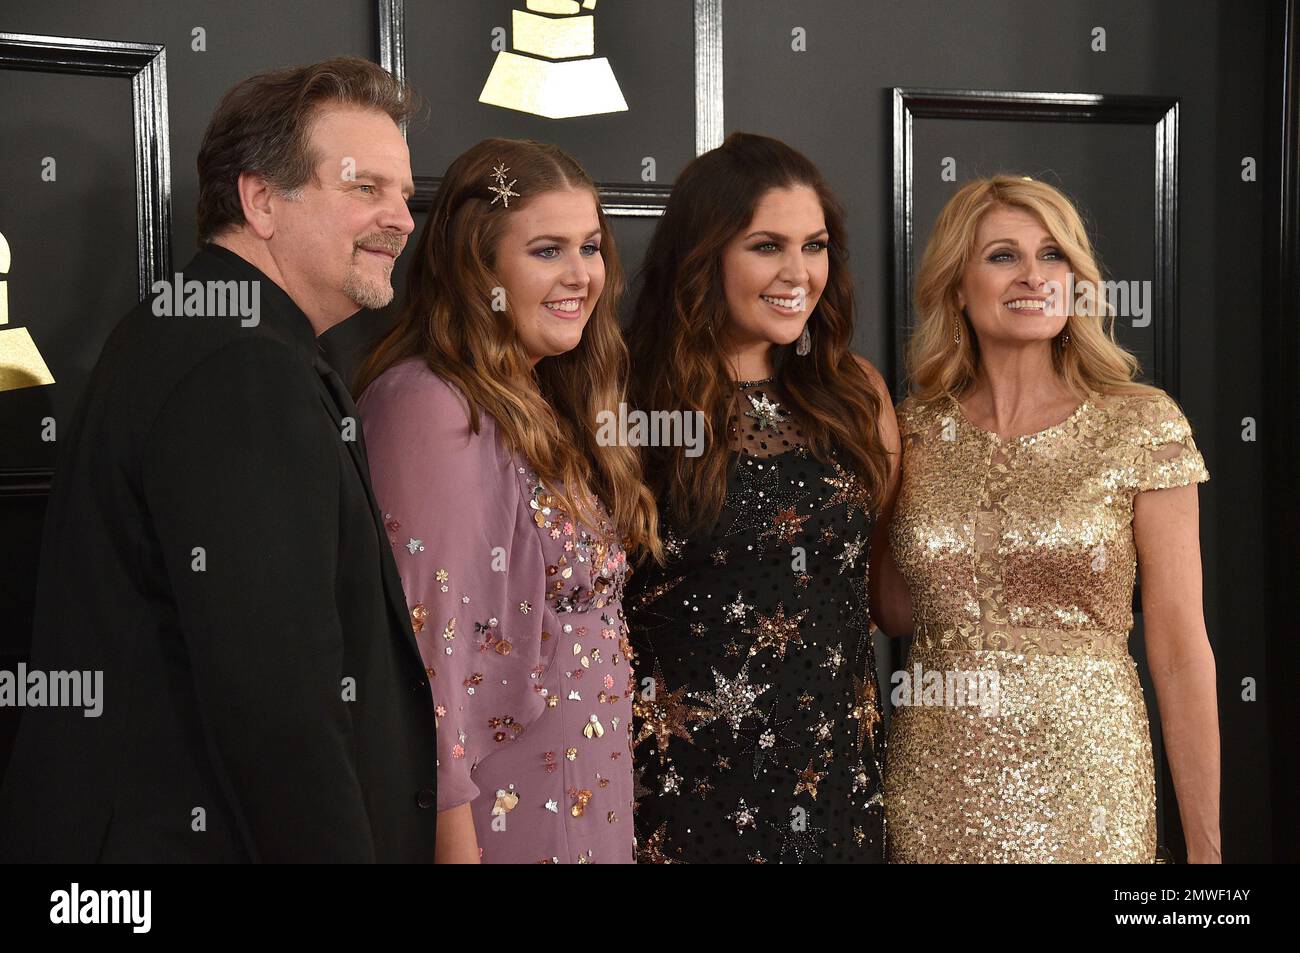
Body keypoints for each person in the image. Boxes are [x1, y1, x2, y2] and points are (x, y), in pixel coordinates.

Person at [0, 57, 438, 862]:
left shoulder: (214, 332)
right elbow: (278, 701)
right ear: (261, 200)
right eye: (365, 189)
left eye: (402, 193)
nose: (402, 219)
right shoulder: (239, 366)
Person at [874, 175, 1221, 863]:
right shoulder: (908, 431)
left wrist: (1208, 855)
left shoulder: (1141, 424)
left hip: (1091, 787)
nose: (1034, 275)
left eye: (1053, 255)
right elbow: (893, 610)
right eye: (1003, 255)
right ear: (956, 285)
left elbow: (1181, 653)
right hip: (936, 786)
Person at [354, 137, 660, 863]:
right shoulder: (428, 405)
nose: (581, 275)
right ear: (477, 267)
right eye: (547, 250)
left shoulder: (547, 397)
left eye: (590, 247)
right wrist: (451, 842)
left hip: (590, 787)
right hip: (505, 808)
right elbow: (428, 655)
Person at [623, 132, 899, 863]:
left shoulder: (854, 392)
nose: (798, 273)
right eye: (766, 246)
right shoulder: (627, 399)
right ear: (702, 255)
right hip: (683, 795)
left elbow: (874, 583)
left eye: (814, 246)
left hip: (837, 784)